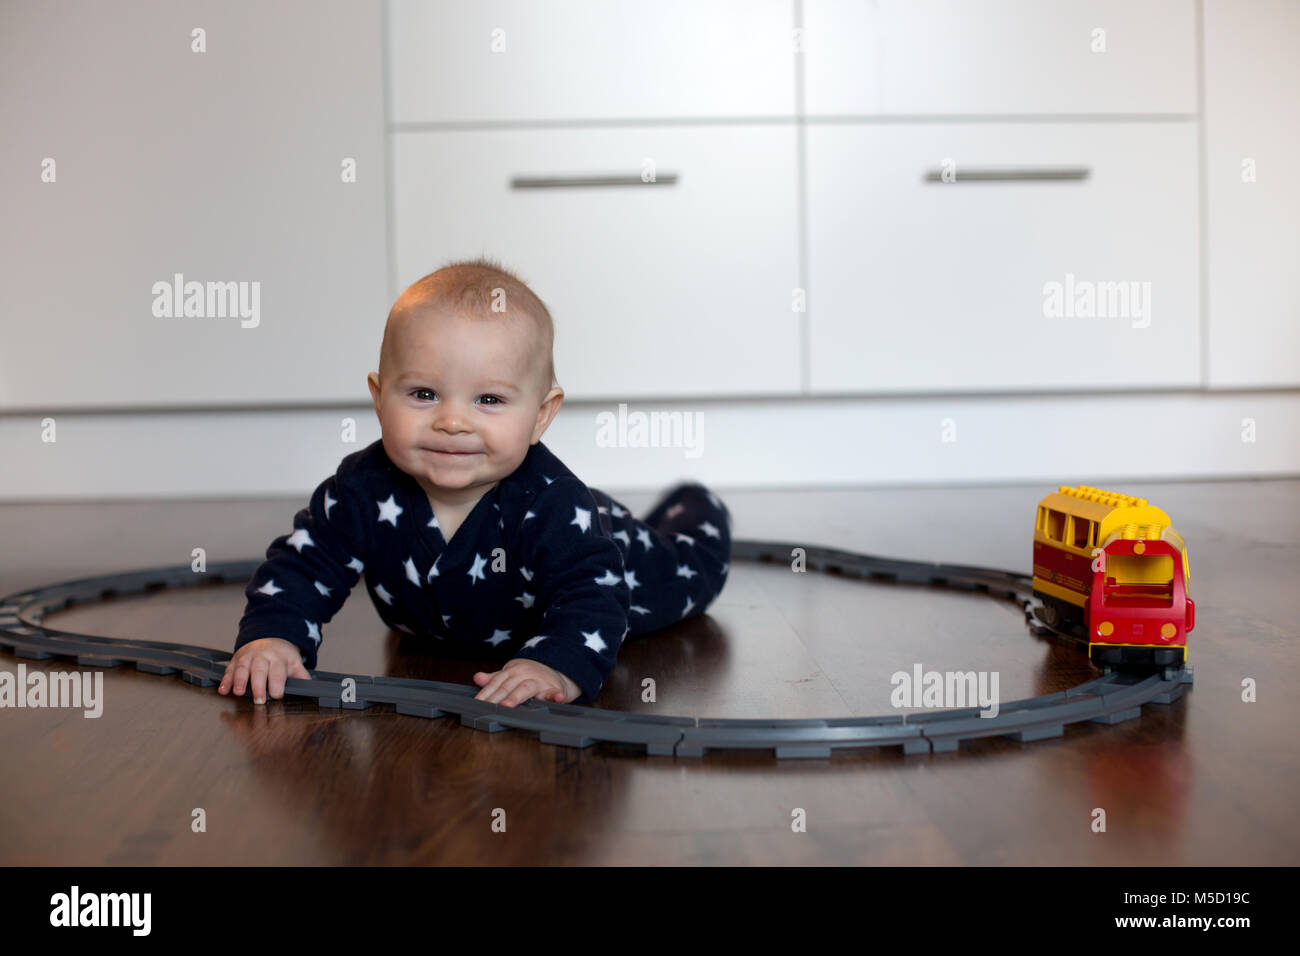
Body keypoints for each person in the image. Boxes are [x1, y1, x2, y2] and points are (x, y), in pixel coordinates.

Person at [219, 258, 731, 708]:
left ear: (541, 414)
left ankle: (697, 503)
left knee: (690, 562)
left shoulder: (552, 504)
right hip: (544, 546)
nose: (452, 422)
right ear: (379, 398)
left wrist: (554, 665)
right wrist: (273, 639)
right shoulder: (360, 489)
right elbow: (305, 564)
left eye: (488, 400)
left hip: (617, 557)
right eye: (423, 393)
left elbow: (592, 596)